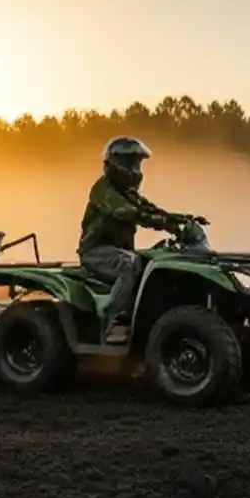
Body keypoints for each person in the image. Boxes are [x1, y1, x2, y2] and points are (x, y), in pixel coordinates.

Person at [77, 136, 184, 344]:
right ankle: (112, 318)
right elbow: (125, 212)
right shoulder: (103, 190)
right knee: (129, 265)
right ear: (114, 164)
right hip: (95, 252)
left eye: (137, 163)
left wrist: (177, 220)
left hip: (119, 250)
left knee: (154, 262)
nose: (135, 169)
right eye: (130, 163)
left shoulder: (127, 192)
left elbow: (147, 208)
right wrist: (156, 220)